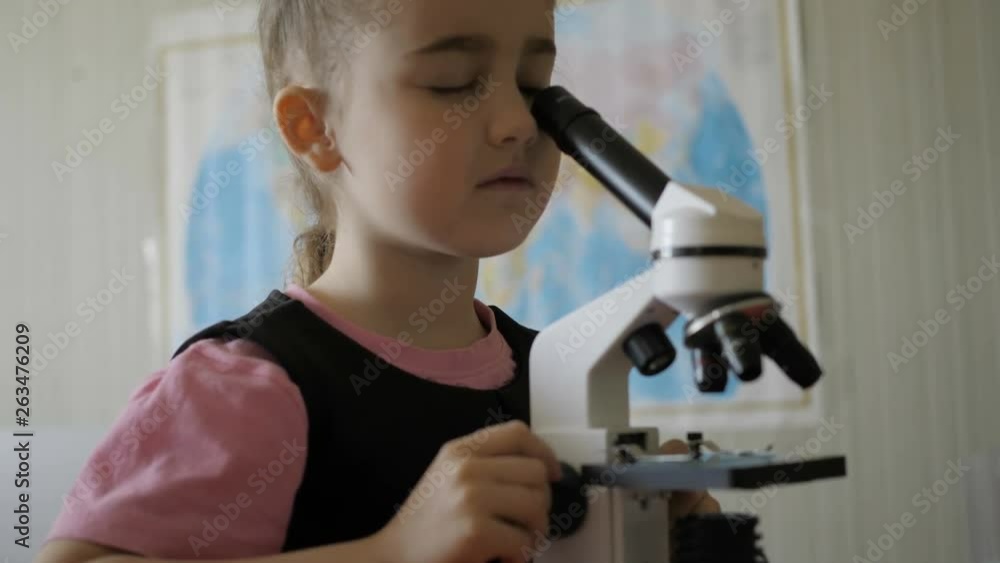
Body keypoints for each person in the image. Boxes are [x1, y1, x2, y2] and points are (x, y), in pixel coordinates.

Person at [36, 1, 719, 563]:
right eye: (453, 81)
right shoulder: (248, 385)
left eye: (536, 86)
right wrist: (392, 551)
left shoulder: (557, 373)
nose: (517, 122)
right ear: (315, 128)